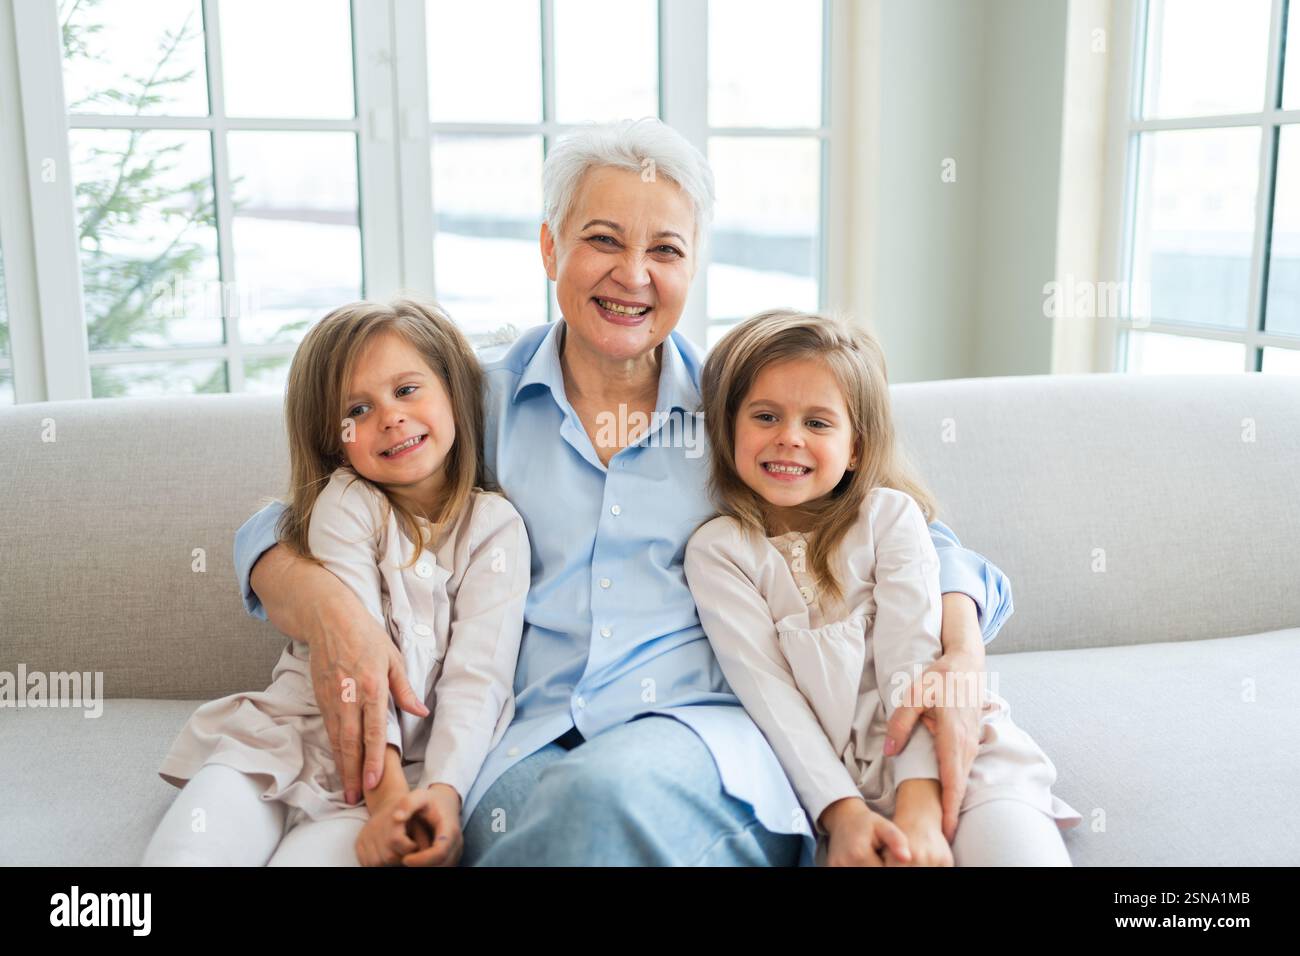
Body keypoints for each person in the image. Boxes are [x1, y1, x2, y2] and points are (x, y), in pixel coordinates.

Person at [231, 118, 1014, 866]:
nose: (633, 275)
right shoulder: (477, 404)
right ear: (549, 247)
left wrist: (962, 645)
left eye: (664, 250)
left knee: (595, 804)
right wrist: (336, 613)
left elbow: (905, 533)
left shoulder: (743, 415)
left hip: (694, 738)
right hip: (520, 745)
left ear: (692, 266)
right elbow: (278, 526)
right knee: (553, 820)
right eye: (602, 240)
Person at [684, 309, 1082, 866]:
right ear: (728, 432)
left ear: (855, 448)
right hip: (835, 792)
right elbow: (770, 697)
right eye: (766, 416)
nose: (789, 438)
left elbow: (911, 662)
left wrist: (920, 807)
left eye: (818, 423)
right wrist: (843, 812)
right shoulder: (719, 552)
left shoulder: (888, 517)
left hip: (952, 750)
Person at [142, 299, 529, 866]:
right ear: (333, 437)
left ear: (453, 390)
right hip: (286, 744)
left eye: (406, 390)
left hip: (405, 775)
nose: (391, 418)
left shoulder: (496, 529)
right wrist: (387, 795)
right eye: (359, 408)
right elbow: (356, 661)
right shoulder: (347, 502)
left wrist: (438, 797)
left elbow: (480, 680)